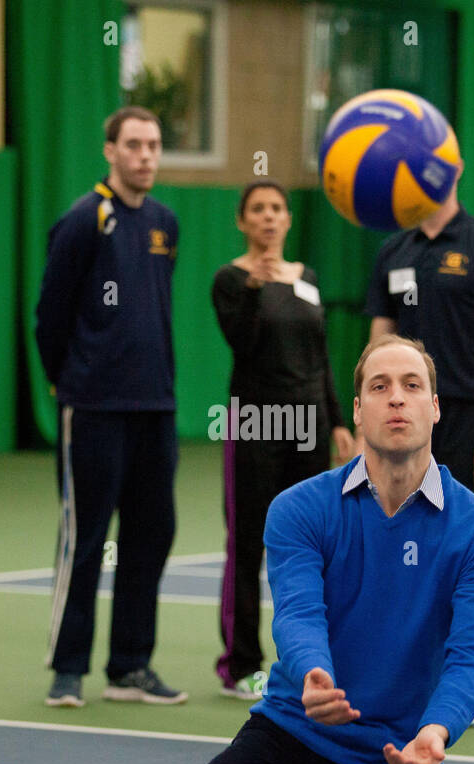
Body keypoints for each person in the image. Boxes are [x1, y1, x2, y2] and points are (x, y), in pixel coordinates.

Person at [141, 335, 474, 764]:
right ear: (358, 412)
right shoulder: (300, 509)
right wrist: (313, 674)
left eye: (412, 385)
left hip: (396, 763)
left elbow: (473, 654)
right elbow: (298, 614)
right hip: (290, 739)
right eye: (380, 387)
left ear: (435, 407)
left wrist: (438, 730)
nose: (397, 398)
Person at [363, 162, 474, 726]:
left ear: (453, 171)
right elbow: (378, 345)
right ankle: (404, 677)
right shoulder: (393, 251)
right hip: (403, 425)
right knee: (397, 545)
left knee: (471, 548)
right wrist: (369, 423)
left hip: (468, 420)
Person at [35, 106, 185, 707]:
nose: (146, 155)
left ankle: (129, 666)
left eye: (153, 144)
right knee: (86, 535)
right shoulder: (82, 219)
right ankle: (68, 667)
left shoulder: (166, 223)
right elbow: (51, 315)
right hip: (93, 407)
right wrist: (68, 383)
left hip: (157, 408)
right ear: (110, 151)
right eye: (134, 144)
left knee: (153, 533)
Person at [211, 180, 356, 699]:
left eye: (277, 208)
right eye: (257, 209)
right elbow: (241, 345)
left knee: (312, 546)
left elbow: (320, 357)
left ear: (288, 220)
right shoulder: (230, 280)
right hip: (253, 425)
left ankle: (311, 664)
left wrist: (339, 421)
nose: (269, 217)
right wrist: (254, 289)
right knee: (249, 543)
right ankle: (240, 663)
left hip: (310, 427)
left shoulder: (308, 280)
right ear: (242, 221)